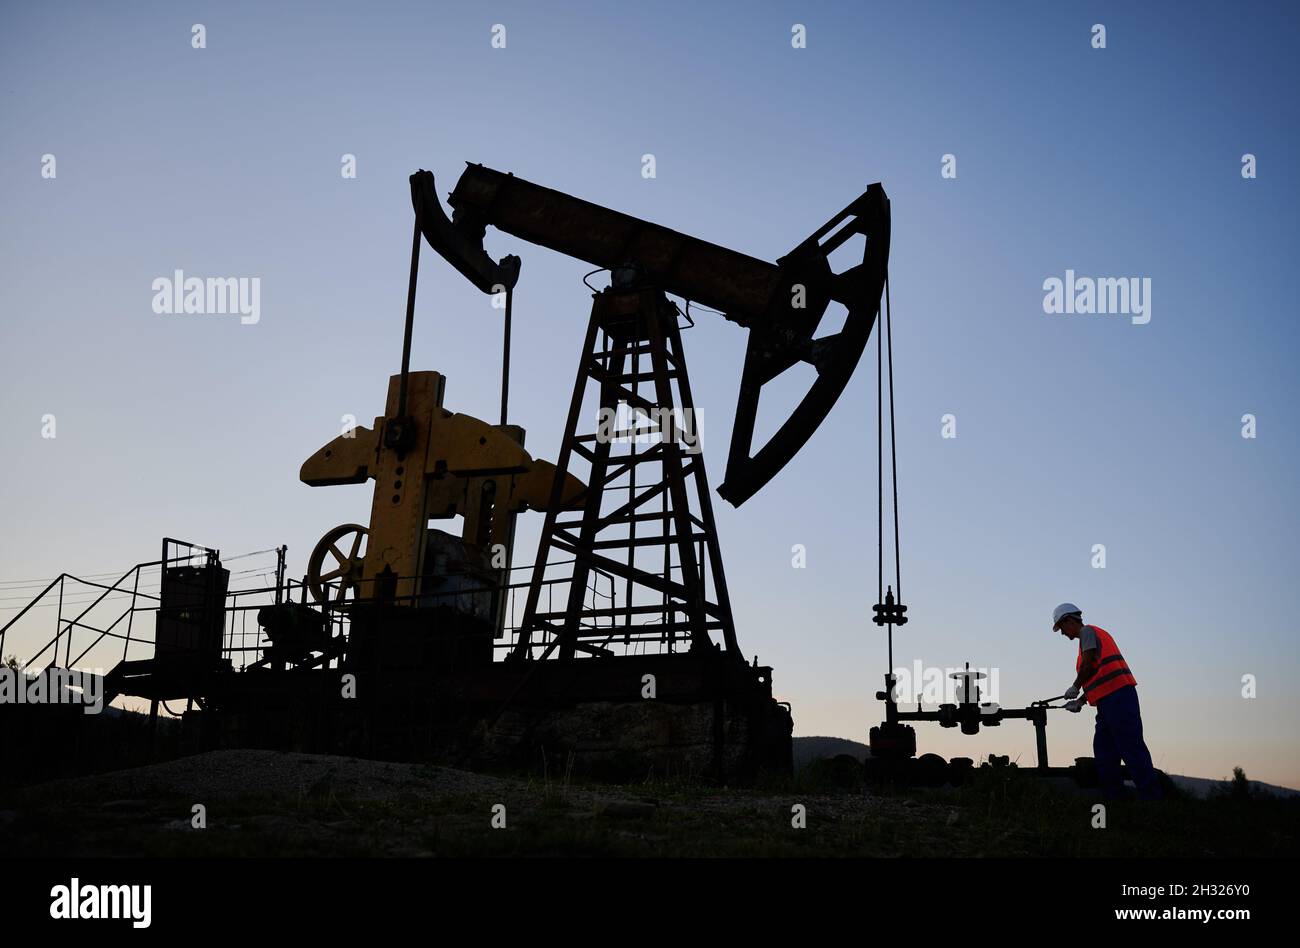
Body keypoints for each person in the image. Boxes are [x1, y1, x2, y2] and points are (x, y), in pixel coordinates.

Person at [1054, 602, 1162, 800]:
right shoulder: (1089, 637)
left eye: (1061, 628)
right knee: (1105, 752)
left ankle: (1152, 798)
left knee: (1130, 746)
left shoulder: (1087, 632)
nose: (1062, 633)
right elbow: (1097, 674)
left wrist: (1076, 686)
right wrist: (1081, 701)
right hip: (1108, 701)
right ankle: (1115, 798)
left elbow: (1087, 667)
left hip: (1119, 697)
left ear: (1069, 621)